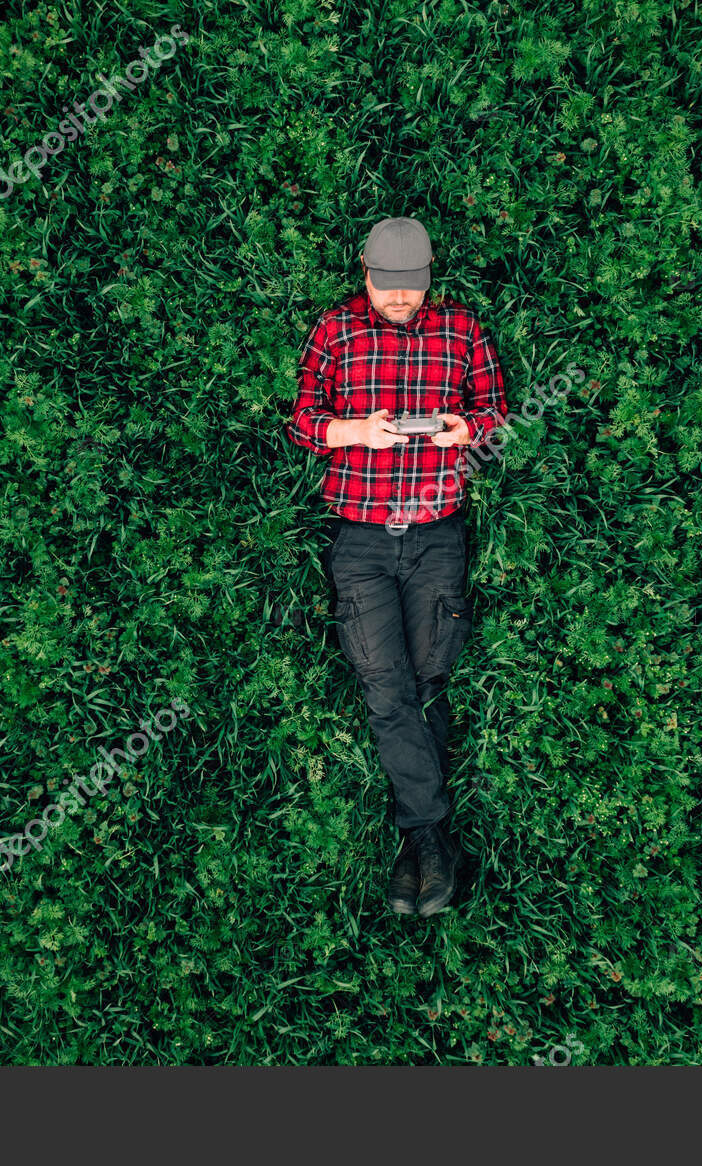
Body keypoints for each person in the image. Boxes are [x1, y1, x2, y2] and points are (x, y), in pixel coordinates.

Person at [285, 216, 508, 916]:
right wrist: (357, 432)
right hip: (361, 538)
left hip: (437, 532)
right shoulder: (336, 330)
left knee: (428, 682)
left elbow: (498, 416)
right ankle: (433, 842)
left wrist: (466, 429)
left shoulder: (462, 331)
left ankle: (421, 848)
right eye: (388, 287)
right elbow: (301, 419)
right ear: (366, 273)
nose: (401, 300)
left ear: (429, 277)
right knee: (388, 689)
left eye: (412, 287)